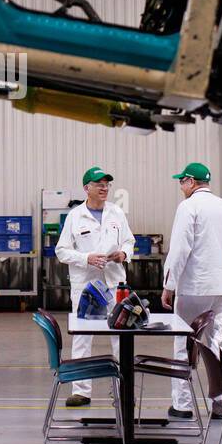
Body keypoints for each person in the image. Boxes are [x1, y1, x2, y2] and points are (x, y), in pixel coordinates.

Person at [160, 162, 222, 419]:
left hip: (194, 287)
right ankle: (219, 402)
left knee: (184, 342)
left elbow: (179, 249)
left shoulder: (189, 206)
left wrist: (169, 285)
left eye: (181, 182)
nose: (180, 187)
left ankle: (182, 405)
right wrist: (218, 240)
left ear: (191, 181)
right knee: (216, 341)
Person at [53, 165, 135, 407]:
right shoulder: (75, 216)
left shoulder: (116, 213)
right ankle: (81, 391)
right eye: (99, 184)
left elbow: (129, 241)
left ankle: (122, 388)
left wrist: (124, 253)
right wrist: (85, 258)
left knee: (120, 337)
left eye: (107, 184)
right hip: (86, 287)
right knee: (82, 337)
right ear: (86, 188)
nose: (104, 188)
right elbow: (61, 251)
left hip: (114, 284)